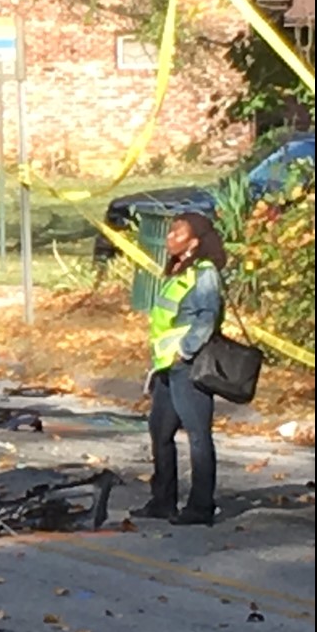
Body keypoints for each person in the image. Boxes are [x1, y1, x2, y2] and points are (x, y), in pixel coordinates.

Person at [132, 211, 227, 526]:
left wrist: (185, 351)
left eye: (177, 233)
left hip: (188, 366)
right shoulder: (177, 271)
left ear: (195, 242)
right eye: (170, 232)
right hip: (166, 367)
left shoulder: (204, 273)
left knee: (198, 436)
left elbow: (206, 316)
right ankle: (163, 501)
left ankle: (200, 507)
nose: (169, 238)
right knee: (160, 432)